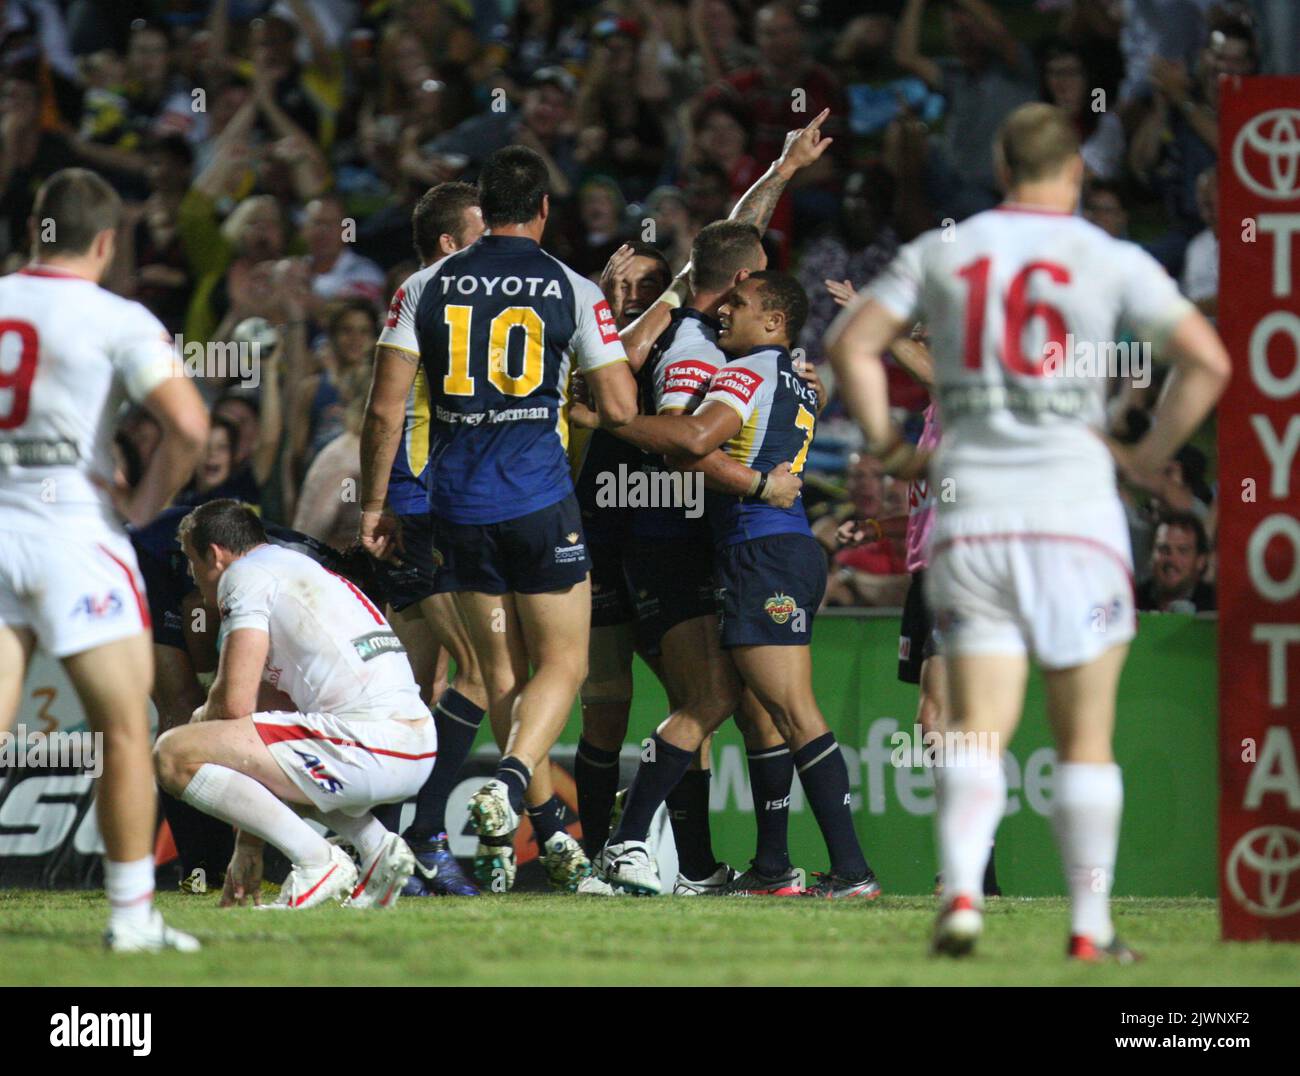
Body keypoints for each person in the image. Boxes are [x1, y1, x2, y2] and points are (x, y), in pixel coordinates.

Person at [827, 102, 1230, 960]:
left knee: (975, 725)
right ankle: (1088, 929)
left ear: (1002, 169)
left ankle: (964, 896)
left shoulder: (950, 250)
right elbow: (1210, 360)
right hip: (1076, 517)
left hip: (974, 524)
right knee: (1084, 733)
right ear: (1076, 172)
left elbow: (855, 339)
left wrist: (895, 448)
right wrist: (1147, 454)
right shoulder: (1109, 256)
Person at [358, 146, 639, 892]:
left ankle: (543, 835)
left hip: (454, 508)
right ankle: (511, 788)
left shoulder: (422, 286)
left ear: (487, 204)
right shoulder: (573, 287)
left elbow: (385, 409)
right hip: (540, 501)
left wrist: (376, 502)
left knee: (496, 670)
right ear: (544, 209)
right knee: (565, 665)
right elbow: (619, 409)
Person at [574, 272, 882, 899]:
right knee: (750, 706)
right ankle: (776, 868)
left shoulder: (748, 372)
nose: (723, 314)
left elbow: (690, 441)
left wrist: (600, 417)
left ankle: (850, 871)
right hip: (781, 548)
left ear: (773, 321)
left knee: (780, 711)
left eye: (737, 306)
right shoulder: (799, 380)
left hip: (758, 550)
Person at [0, 168, 209, 952]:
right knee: (124, 729)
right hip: (73, 535)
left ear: (33, 229)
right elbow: (187, 426)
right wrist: (144, 508)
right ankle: (130, 918)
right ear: (108, 241)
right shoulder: (116, 316)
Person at [155, 500, 436, 910]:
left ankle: (315, 860)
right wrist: (247, 847)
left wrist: (198, 722)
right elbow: (258, 735)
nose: (191, 576)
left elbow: (232, 705)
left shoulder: (243, 577)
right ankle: (377, 849)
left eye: (191, 561)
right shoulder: (291, 569)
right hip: (409, 745)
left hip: (371, 745)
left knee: (172, 752)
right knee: (261, 744)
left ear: (215, 555)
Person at [367, 181, 493, 897]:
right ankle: (423, 834)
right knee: (478, 672)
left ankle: (384, 844)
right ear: (450, 244)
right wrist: (379, 503)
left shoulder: (428, 300)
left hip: (419, 504)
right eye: (482, 232)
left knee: (418, 686)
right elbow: (382, 411)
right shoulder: (431, 293)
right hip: (419, 507)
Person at [1137, 513, 1216, 613]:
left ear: (1200, 561)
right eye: (1164, 549)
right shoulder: (1132, 601)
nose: (1172, 559)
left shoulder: (1216, 609)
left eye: (1183, 551)